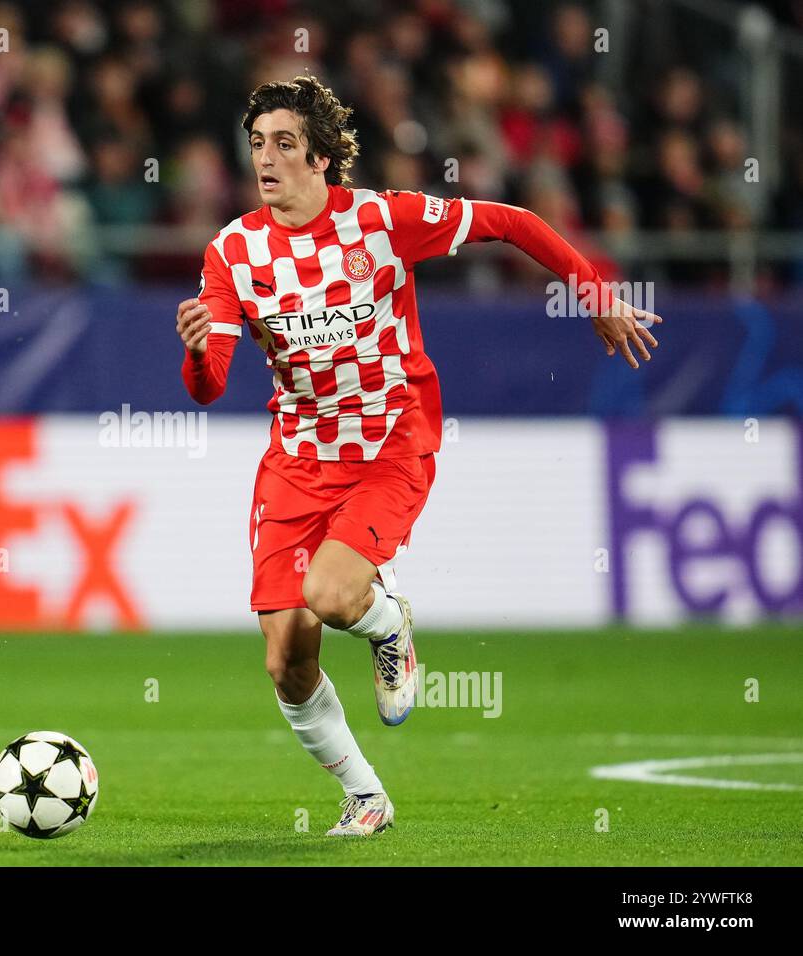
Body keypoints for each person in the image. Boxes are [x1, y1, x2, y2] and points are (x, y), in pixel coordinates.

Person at [176, 75, 660, 835]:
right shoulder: (233, 252)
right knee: (286, 660)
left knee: (332, 596)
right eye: (257, 144)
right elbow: (208, 387)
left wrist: (595, 295)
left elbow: (512, 220)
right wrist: (198, 350)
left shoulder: (381, 220)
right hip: (297, 461)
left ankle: (387, 623)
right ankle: (366, 796)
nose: (264, 159)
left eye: (284, 144)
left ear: (321, 158)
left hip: (388, 444)